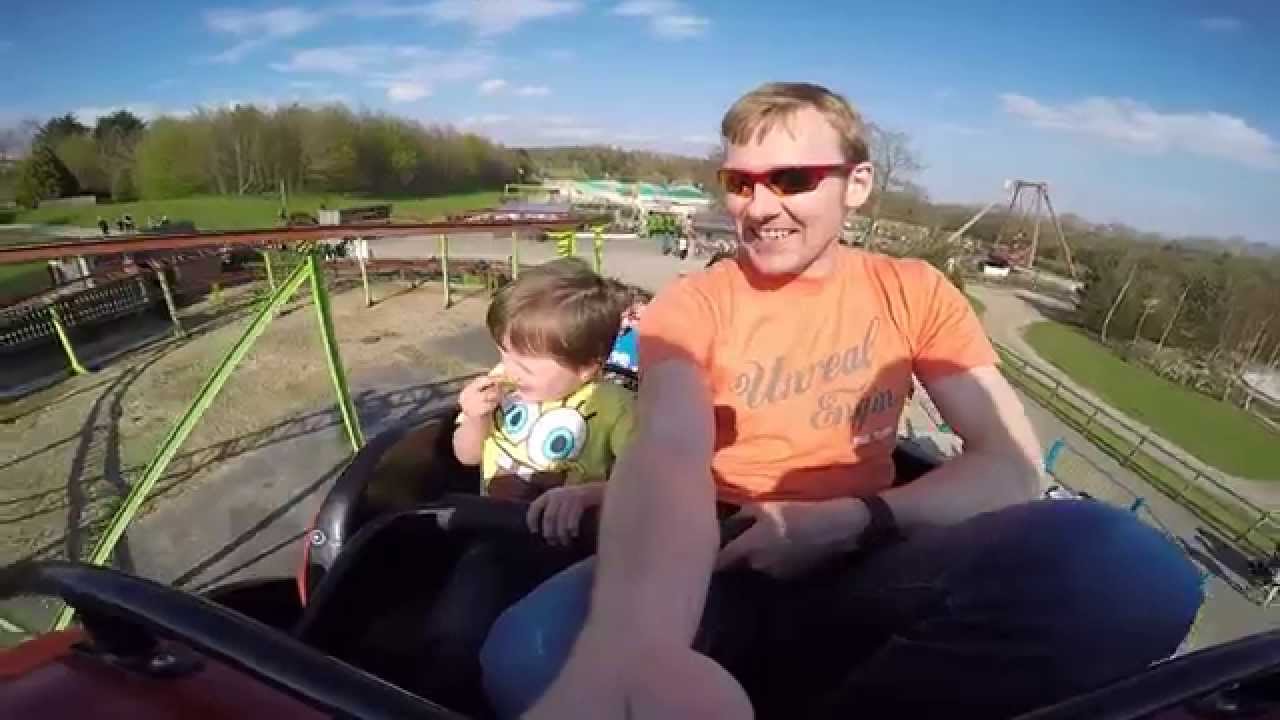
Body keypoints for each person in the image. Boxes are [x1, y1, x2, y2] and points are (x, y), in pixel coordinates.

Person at [479, 82, 1204, 720]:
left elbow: (1011, 467)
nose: (760, 207)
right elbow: (667, 452)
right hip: (718, 547)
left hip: (871, 549)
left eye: (791, 179)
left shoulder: (914, 292)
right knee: (526, 656)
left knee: (1129, 572)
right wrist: (628, 647)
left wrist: (848, 522)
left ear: (856, 184)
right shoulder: (691, 306)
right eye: (740, 182)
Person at [418, 257, 637, 714]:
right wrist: (474, 418)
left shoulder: (613, 406)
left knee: (539, 644)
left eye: (527, 361)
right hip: (494, 535)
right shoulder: (506, 397)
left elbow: (642, 479)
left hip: (569, 548)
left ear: (587, 367)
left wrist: (585, 494)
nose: (509, 370)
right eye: (504, 353)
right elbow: (468, 456)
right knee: (456, 626)